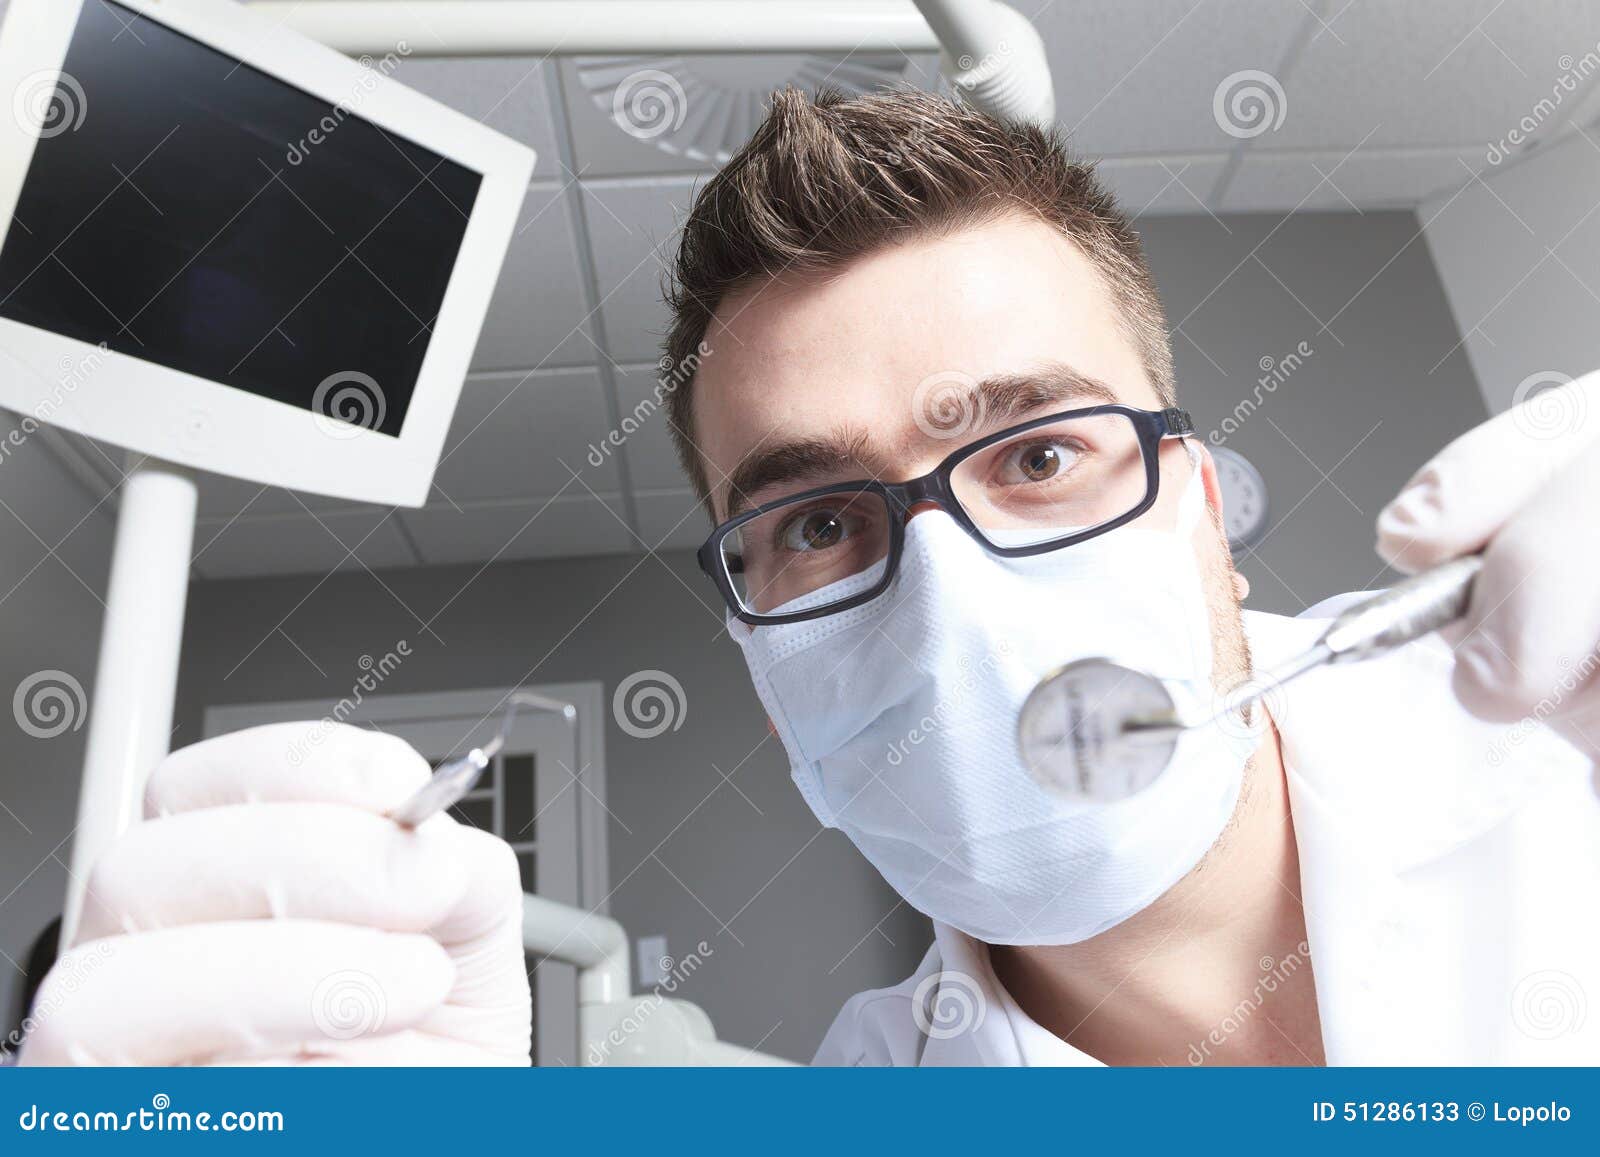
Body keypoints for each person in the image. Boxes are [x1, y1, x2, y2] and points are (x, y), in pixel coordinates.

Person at [19, 89, 1599, 1067]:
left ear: (1199, 510)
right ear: (776, 695)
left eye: (1038, 453)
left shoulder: (1560, 765)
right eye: (823, 523)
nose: (954, 593)